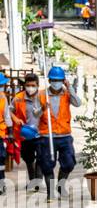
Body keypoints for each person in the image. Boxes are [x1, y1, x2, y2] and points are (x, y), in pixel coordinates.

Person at [25, 66, 81, 199]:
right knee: (47, 164)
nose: (57, 82)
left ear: (63, 81)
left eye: (60, 80)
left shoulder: (67, 93)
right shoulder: (41, 95)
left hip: (64, 135)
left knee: (69, 163)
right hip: (46, 135)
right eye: (54, 80)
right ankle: (50, 193)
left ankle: (61, 186)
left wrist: (70, 87)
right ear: (49, 80)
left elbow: (78, 103)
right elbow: (35, 113)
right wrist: (43, 108)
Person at [7, 73, 42, 192]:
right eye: (28, 85)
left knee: (41, 157)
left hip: (41, 134)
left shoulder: (43, 97)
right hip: (25, 135)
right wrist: (15, 119)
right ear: (24, 85)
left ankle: (38, 179)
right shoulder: (18, 97)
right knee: (28, 159)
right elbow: (8, 111)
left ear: (38, 85)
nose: (30, 88)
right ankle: (33, 181)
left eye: (33, 85)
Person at [0, 74, 10, 196]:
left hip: (0, 133)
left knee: (1, 159)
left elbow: (7, 115)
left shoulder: (3, 98)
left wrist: (11, 132)